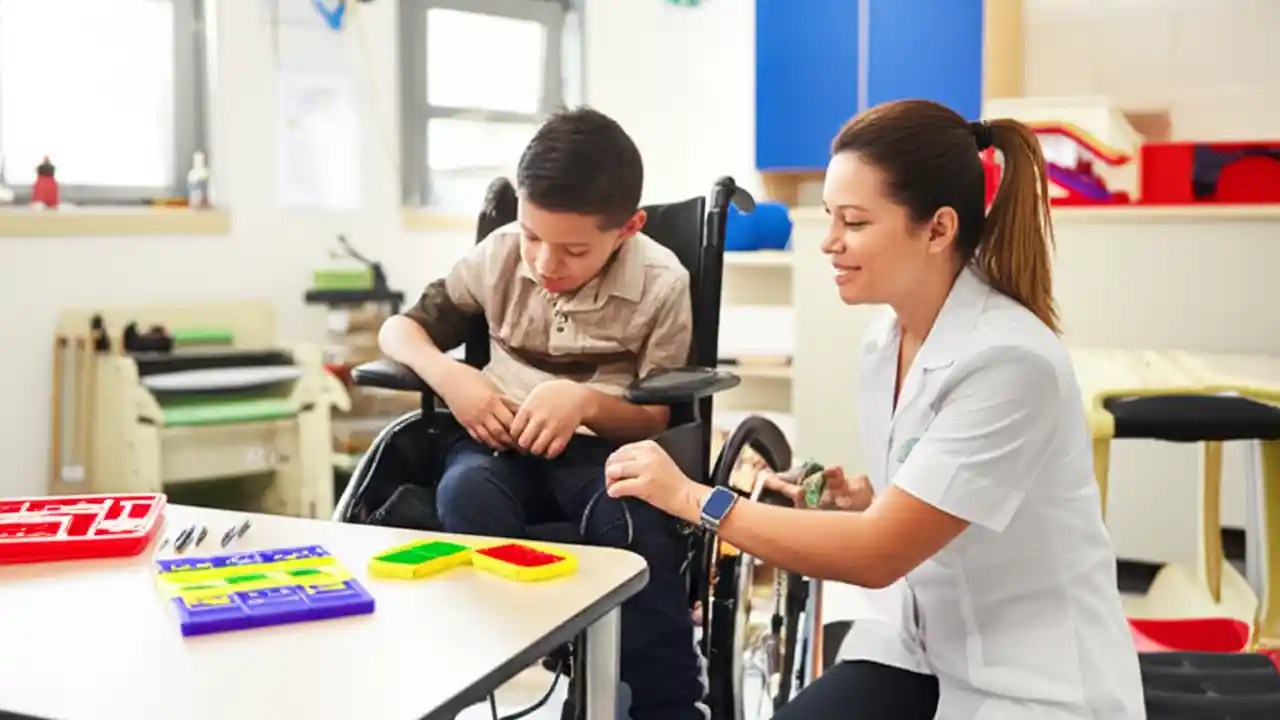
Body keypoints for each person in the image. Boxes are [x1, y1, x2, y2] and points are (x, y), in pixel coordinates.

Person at [602, 99, 1146, 719]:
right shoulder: (885, 342)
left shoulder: (1010, 360)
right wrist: (865, 498)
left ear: (938, 229)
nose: (829, 243)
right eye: (830, 217)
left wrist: (696, 498)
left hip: (1032, 682)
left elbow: (876, 554)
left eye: (854, 223)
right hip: (917, 649)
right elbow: (921, 507)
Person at [377, 107, 705, 719]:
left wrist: (584, 401)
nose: (545, 264)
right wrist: (454, 378)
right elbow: (399, 330)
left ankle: (668, 704)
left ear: (627, 228)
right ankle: (519, 665)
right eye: (532, 235)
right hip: (495, 441)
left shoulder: (661, 283)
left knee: (630, 531)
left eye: (573, 249)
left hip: (605, 453)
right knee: (465, 497)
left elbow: (658, 415)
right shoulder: (498, 256)